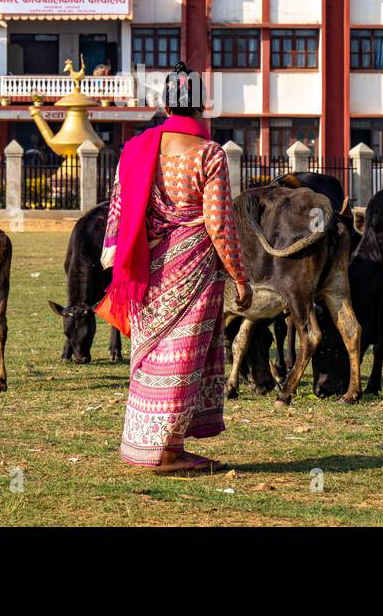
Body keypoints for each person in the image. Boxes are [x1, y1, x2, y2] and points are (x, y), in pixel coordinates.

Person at [98, 62, 252, 474]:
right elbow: (219, 222)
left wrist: (115, 251)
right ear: (202, 106)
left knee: (152, 353)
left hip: (147, 266)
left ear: (166, 104)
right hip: (194, 267)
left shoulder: (136, 150)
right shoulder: (209, 154)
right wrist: (240, 275)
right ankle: (168, 450)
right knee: (183, 354)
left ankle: (143, 443)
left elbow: (119, 207)